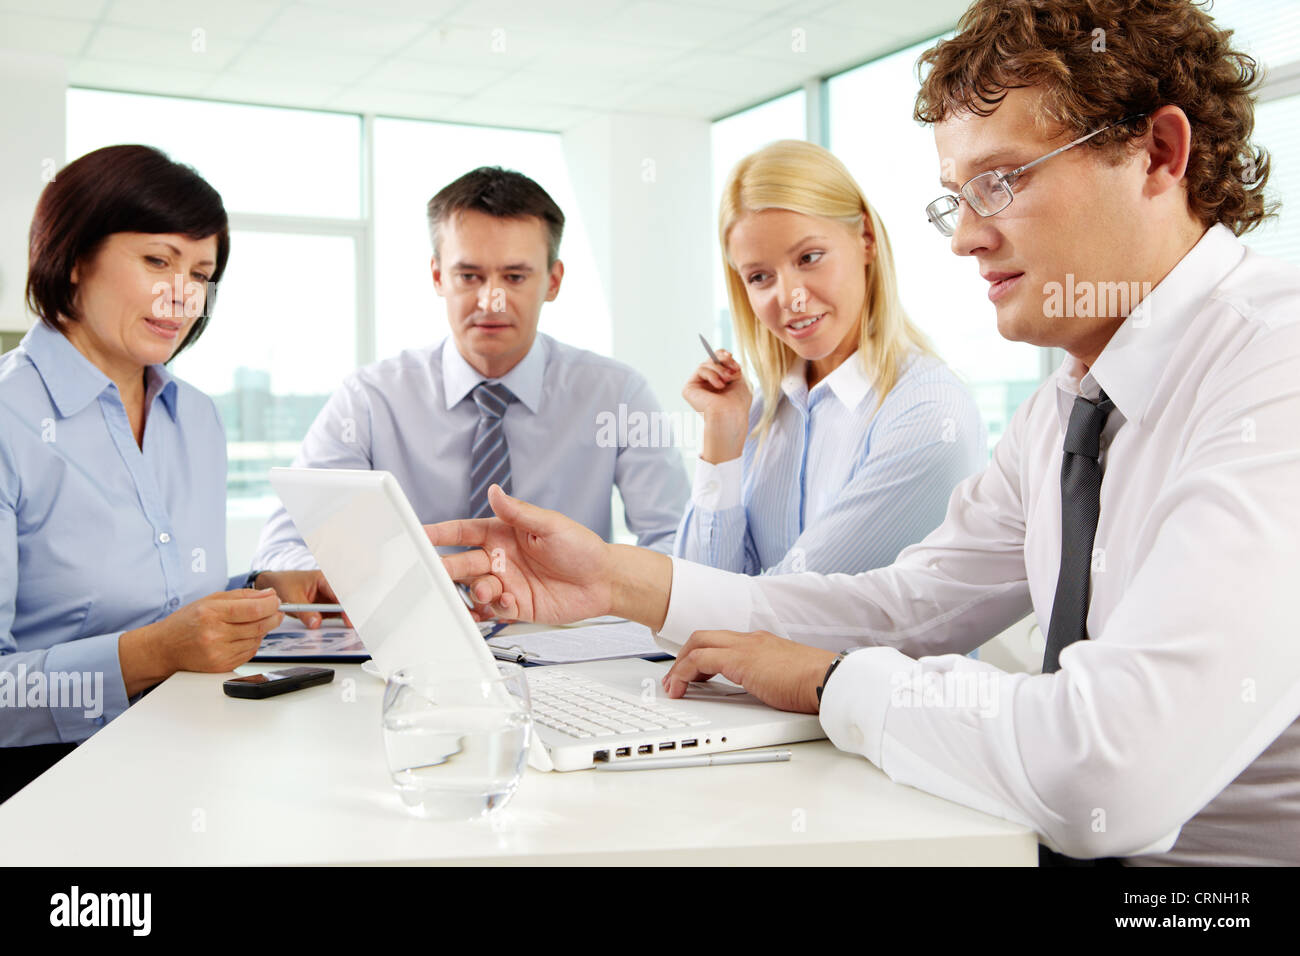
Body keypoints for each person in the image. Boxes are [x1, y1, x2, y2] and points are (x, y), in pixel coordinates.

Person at [426, 0, 1300, 866]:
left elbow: (1110, 774)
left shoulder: (1275, 372)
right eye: (954, 199)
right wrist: (615, 577)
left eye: (1001, 181)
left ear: (1157, 153)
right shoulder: (1066, 409)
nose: (963, 238)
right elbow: (903, 605)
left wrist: (832, 680)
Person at [0, 145, 337, 801]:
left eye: (202, 272)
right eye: (157, 260)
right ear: (73, 257)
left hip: (196, 759)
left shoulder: (198, 420)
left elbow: (165, 598)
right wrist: (148, 655)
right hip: (44, 792)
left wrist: (263, 587)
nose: (182, 295)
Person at [252, 166, 689, 571]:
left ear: (553, 281)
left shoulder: (616, 394)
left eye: (515, 277)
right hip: (415, 638)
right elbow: (282, 550)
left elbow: (676, 542)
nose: (490, 301)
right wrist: (392, 582)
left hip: (571, 634)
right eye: (469, 276)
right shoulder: (371, 398)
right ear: (438, 276)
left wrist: (604, 592)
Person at [677, 140, 984, 575]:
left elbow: (800, 606)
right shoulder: (763, 416)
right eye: (760, 276)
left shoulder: (929, 412)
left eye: (809, 257)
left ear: (866, 240)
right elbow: (699, 592)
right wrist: (722, 440)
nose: (791, 298)